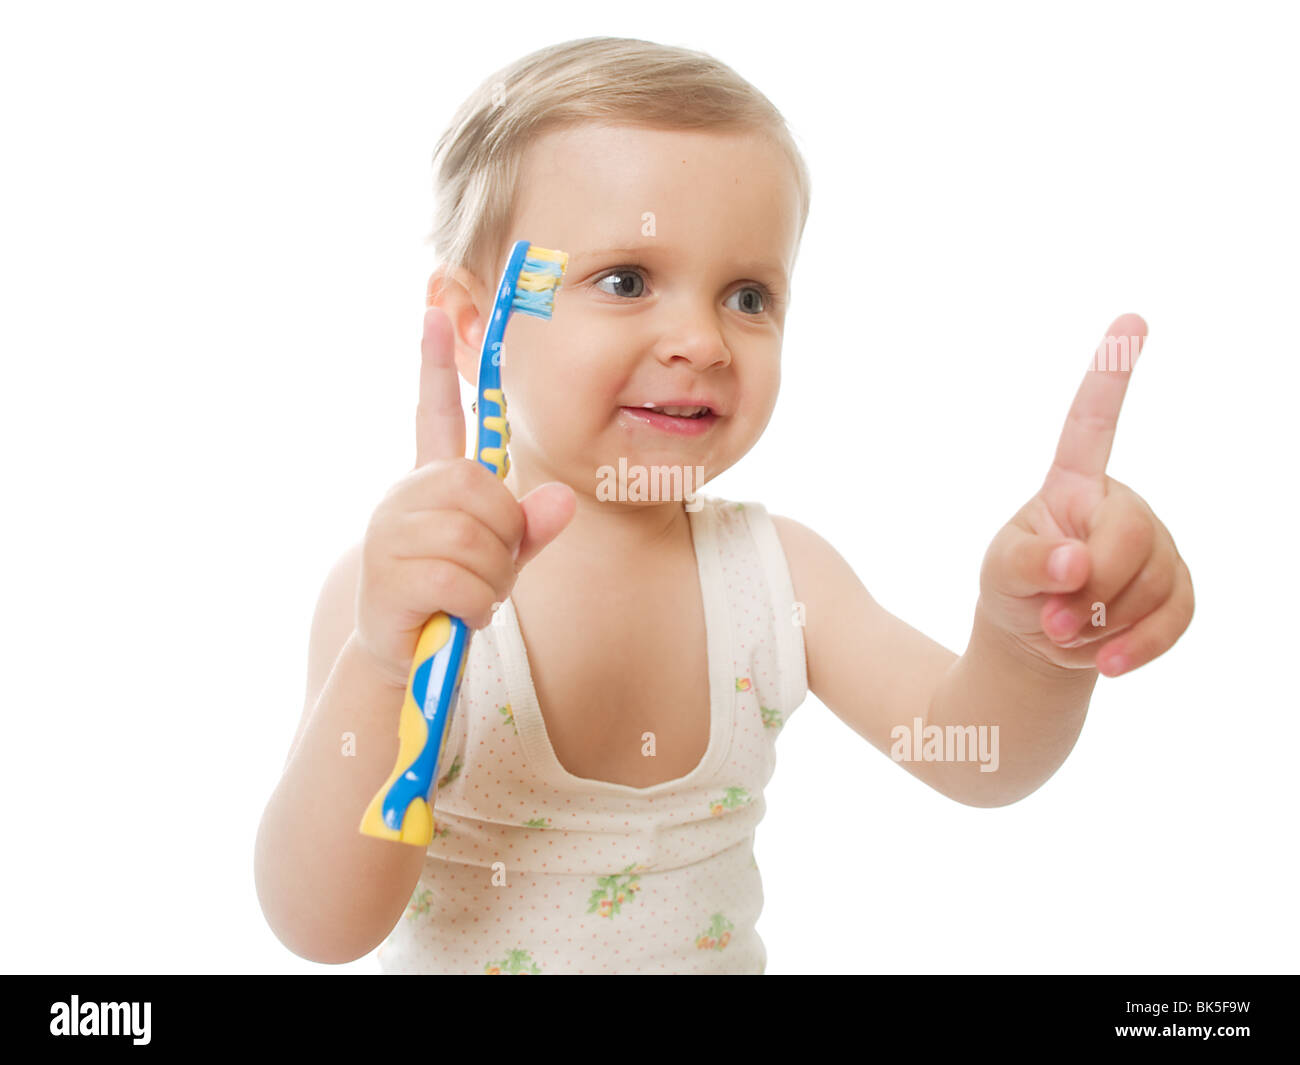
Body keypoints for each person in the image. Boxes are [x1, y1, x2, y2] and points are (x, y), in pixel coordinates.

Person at [253, 36, 1194, 975]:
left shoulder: (778, 578)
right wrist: (384, 662)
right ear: (474, 326)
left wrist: (1033, 641)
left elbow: (977, 756)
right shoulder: (402, 601)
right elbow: (321, 924)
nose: (701, 339)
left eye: (747, 295)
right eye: (625, 281)